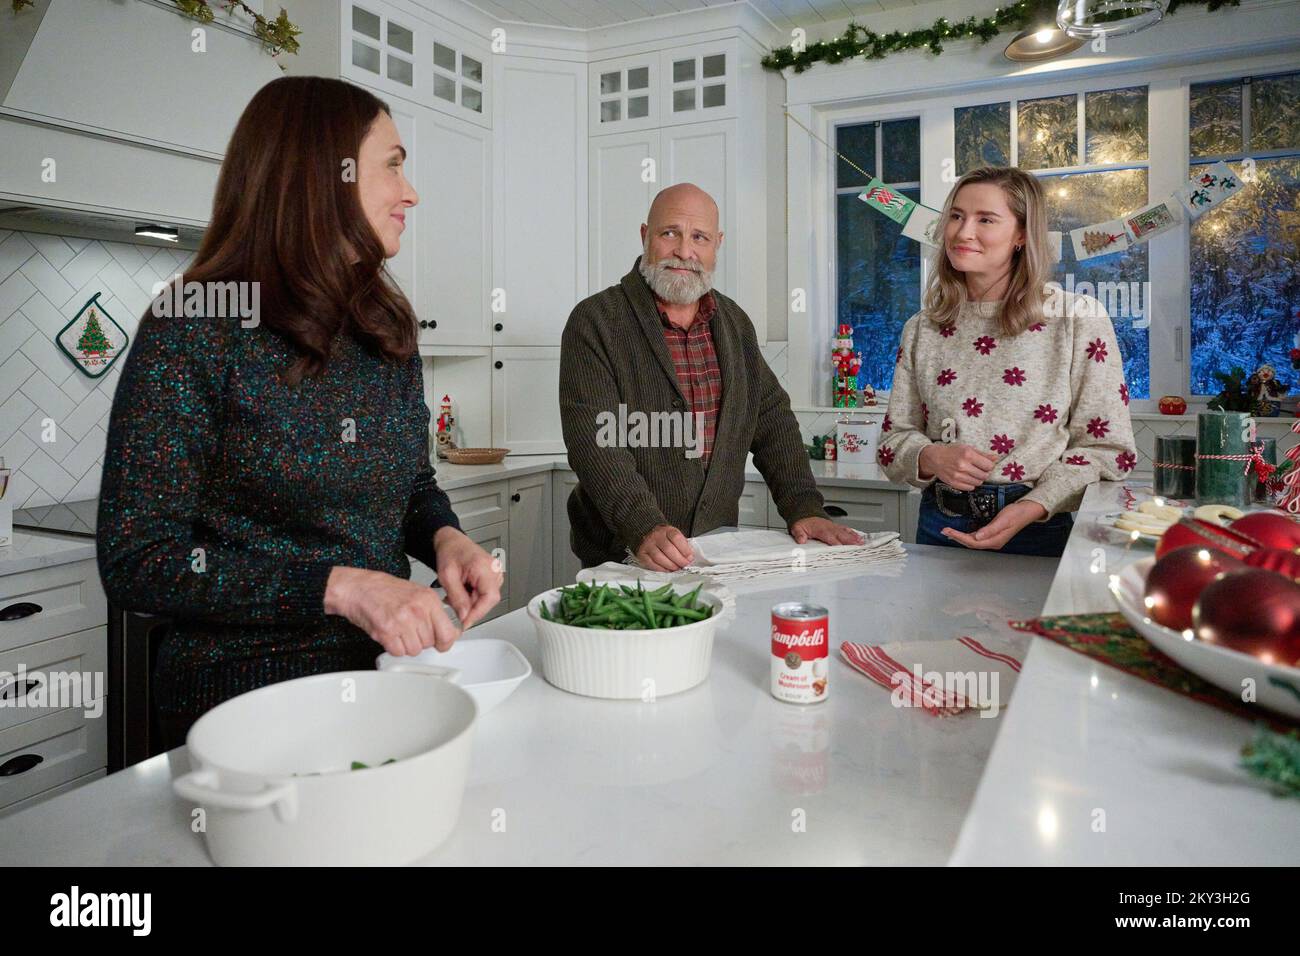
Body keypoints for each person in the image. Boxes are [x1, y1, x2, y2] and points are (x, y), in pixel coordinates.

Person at [97, 76, 502, 748]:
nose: (411, 192)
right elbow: (138, 559)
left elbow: (410, 484)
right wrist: (342, 589)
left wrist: (445, 538)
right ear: (325, 174)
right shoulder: (196, 324)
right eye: (394, 165)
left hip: (386, 679)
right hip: (241, 703)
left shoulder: (381, 322)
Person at [560, 183, 862, 570]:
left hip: (714, 553)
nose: (684, 251)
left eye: (699, 237)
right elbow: (595, 443)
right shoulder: (596, 321)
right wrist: (643, 525)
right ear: (645, 236)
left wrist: (804, 506)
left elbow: (771, 420)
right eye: (670, 233)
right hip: (623, 555)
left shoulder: (734, 323)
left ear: (717, 243)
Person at [878, 165, 1137, 557]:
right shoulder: (922, 328)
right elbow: (893, 440)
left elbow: (1109, 450)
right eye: (956, 216)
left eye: (986, 219)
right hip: (938, 524)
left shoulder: (1076, 318)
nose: (964, 232)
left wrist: (1029, 508)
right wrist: (929, 456)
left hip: (1038, 529)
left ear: (1020, 235)